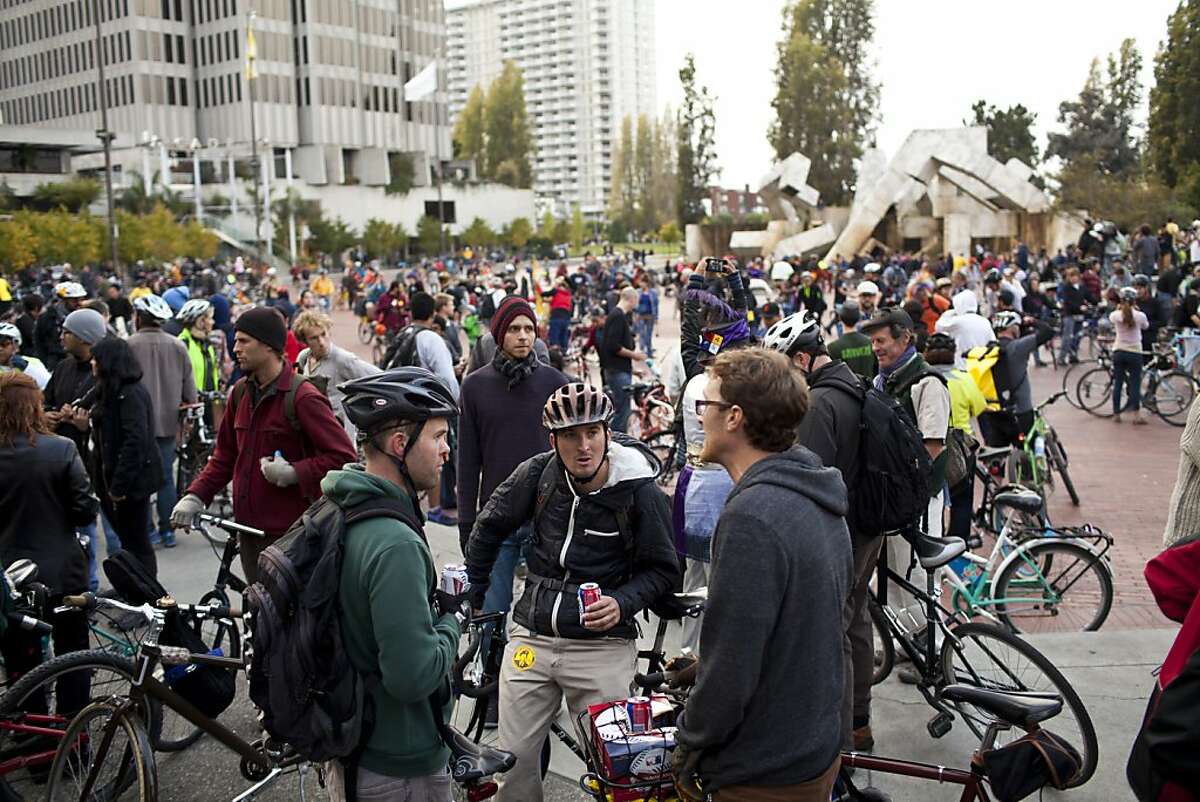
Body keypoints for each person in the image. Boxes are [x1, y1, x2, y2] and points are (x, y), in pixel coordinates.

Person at [465, 382, 679, 802]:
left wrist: (622, 602)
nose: (583, 446)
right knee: (512, 762)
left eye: (592, 433)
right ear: (553, 440)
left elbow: (665, 570)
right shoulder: (538, 474)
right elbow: (488, 526)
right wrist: (473, 592)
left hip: (602, 647)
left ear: (608, 433)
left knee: (619, 773)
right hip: (533, 637)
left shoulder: (638, 490)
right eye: (569, 435)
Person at [673, 349, 851, 802]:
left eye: (705, 406)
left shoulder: (752, 515)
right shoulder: (814, 485)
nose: (699, 418)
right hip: (813, 745)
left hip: (765, 768)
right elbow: (805, 624)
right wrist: (701, 667)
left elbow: (734, 668)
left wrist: (691, 737)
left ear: (734, 417)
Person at [322, 369, 465, 802]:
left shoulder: (342, 504)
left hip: (353, 746)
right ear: (400, 444)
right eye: (438, 436)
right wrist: (451, 619)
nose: (446, 450)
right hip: (398, 764)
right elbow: (412, 676)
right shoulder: (395, 543)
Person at [763, 312, 880, 753]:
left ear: (801, 359)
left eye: (784, 369)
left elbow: (810, 479)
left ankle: (844, 733)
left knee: (835, 630)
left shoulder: (818, 403)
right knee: (858, 619)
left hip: (843, 531)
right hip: (868, 526)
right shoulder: (856, 383)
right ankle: (861, 719)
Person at [171, 307, 357, 582]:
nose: (236, 349)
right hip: (248, 534)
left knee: (290, 620)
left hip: (292, 538)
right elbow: (224, 456)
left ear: (269, 346)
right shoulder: (240, 393)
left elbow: (343, 457)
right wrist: (195, 496)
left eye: (244, 341)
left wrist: (295, 472)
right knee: (258, 616)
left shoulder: (302, 397)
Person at [456, 296, 567, 634]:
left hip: (545, 519)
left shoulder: (555, 384)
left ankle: (531, 680)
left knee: (543, 620)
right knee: (490, 618)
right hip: (496, 520)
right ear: (500, 334)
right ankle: (490, 683)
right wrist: (466, 523)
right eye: (515, 329)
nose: (523, 336)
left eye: (529, 329)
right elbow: (467, 461)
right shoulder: (475, 387)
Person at [0, 372, 96, 703]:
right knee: (73, 654)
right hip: (63, 571)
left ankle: (32, 736)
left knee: (21, 661)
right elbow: (85, 510)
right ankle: (75, 730)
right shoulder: (61, 449)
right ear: (36, 407)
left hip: (11, 578)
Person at [861, 309, 951, 642]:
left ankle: (934, 648)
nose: (876, 348)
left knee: (918, 574)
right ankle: (906, 641)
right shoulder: (882, 381)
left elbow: (932, 445)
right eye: (873, 342)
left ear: (905, 338)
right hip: (893, 498)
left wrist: (906, 487)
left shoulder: (927, 383)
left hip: (918, 498)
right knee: (895, 573)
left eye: (881, 341)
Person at [86, 337, 162, 576]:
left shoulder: (130, 393)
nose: (92, 363)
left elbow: (135, 442)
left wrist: (118, 487)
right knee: (128, 542)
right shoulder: (108, 390)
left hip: (130, 484)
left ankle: (152, 595)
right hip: (111, 481)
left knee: (137, 544)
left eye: (96, 359)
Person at [128, 294, 197, 549]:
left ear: (138, 317)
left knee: (140, 478)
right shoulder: (178, 346)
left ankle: (148, 530)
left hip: (136, 425)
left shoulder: (129, 345)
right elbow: (190, 390)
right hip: (169, 423)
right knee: (166, 477)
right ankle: (169, 530)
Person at [924, 333, 987, 546]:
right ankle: (960, 546)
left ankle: (937, 544)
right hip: (962, 448)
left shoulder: (923, 380)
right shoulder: (964, 378)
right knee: (961, 501)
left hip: (932, 446)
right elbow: (979, 407)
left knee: (935, 501)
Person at [292, 309, 379, 440]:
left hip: (340, 435)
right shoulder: (304, 357)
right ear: (305, 341)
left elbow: (378, 378)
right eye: (314, 338)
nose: (321, 342)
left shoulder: (342, 359)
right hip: (316, 429)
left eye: (323, 334)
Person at [977, 311, 1055, 447]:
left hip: (994, 413)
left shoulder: (985, 351)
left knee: (997, 457)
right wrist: (1032, 321)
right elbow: (1047, 332)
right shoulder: (1018, 347)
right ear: (1012, 328)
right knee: (1028, 448)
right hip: (1020, 412)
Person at [599, 287, 647, 433]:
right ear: (631, 299)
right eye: (636, 301)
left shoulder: (617, 315)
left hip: (618, 369)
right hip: (616, 371)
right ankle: (614, 440)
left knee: (623, 408)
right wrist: (635, 355)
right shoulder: (618, 316)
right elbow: (614, 346)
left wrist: (633, 370)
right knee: (623, 411)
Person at [1111, 287, 1150, 424]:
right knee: (1135, 383)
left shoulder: (1115, 315)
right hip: (1135, 352)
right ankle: (1136, 414)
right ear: (1135, 301)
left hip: (1119, 350)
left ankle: (1116, 413)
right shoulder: (1140, 316)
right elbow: (1146, 326)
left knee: (1118, 383)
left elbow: (1113, 318)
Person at [934, 289, 994, 369]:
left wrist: (951, 312)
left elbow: (939, 327)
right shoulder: (985, 321)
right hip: (982, 366)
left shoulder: (958, 321)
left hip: (962, 365)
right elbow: (992, 341)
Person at [36, 282, 88, 371]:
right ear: (63, 300)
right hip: (55, 361)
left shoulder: (84, 316)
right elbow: (39, 341)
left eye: (81, 299)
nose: (79, 303)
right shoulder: (47, 318)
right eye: (74, 300)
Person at [176, 299, 220, 396]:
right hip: (191, 405)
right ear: (200, 321)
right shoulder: (182, 345)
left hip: (209, 405)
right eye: (210, 318)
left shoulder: (207, 345)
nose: (213, 322)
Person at [827, 301, 877, 379]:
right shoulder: (870, 343)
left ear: (840, 318)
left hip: (846, 390)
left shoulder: (833, 348)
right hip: (869, 389)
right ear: (858, 318)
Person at [0, 322, 50, 389]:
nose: (0, 348)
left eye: (4, 344)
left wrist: (27, 368)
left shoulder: (32, 362)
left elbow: (49, 385)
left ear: (16, 345)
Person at [636, 274, 659, 358]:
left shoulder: (653, 293)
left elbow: (656, 305)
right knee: (642, 333)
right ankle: (643, 351)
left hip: (650, 315)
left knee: (648, 335)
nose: (640, 284)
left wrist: (656, 317)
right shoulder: (638, 292)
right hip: (640, 316)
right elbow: (635, 305)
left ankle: (649, 352)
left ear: (646, 283)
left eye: (642, 282)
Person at [14, 295, 43, 360]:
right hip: (28, 356)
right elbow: (34, 339)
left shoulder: (26, 319)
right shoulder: (25, 321)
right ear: (36, 308)